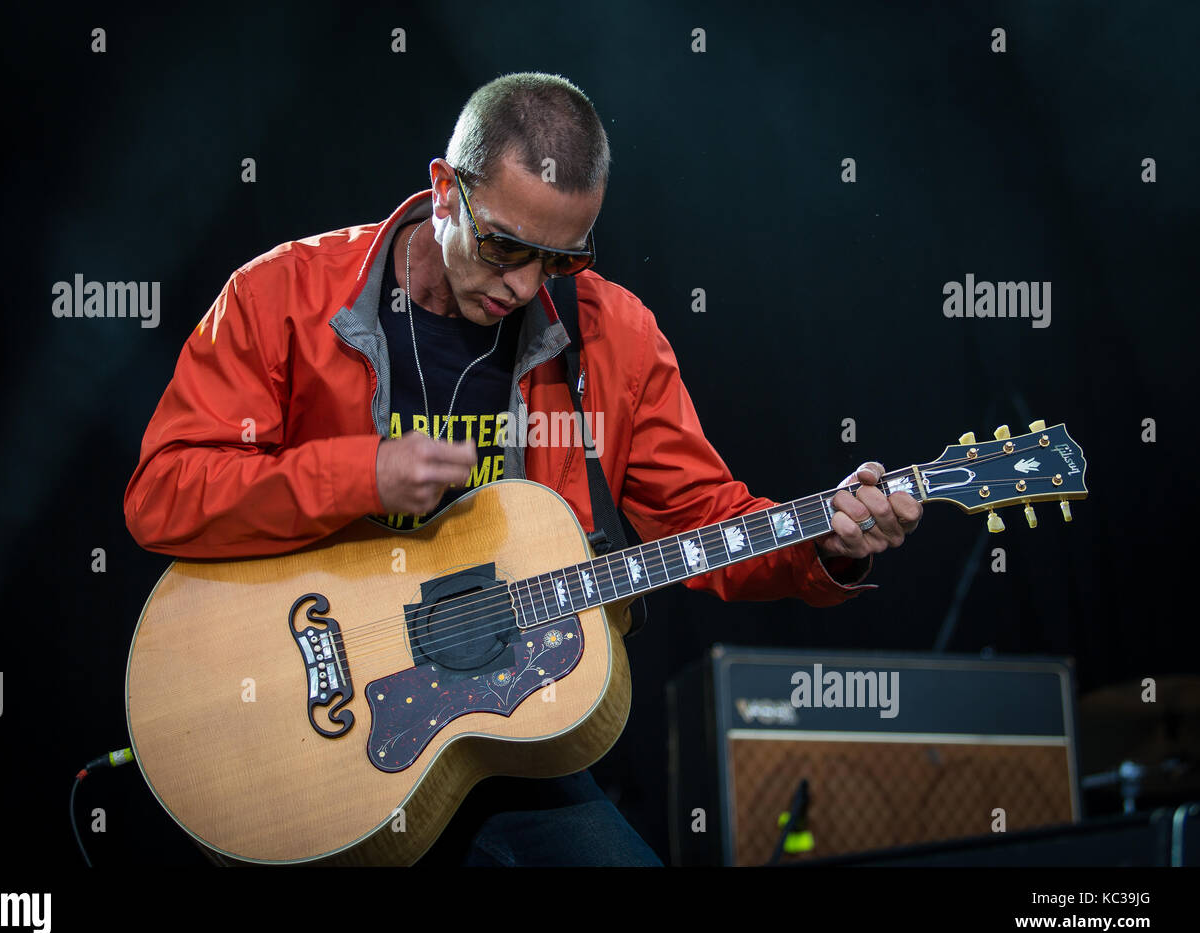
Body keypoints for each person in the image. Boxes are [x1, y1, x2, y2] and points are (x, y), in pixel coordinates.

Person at [123, 72, 922, 865]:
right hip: (321, 738)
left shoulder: (616, 337)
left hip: (502, 732)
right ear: (444, 190)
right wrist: (362, 476)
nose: (522, 285)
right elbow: (163, 495)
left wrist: (831, 541)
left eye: (559, 260)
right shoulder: (281, 296)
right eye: (504, 245)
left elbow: (706, 518)